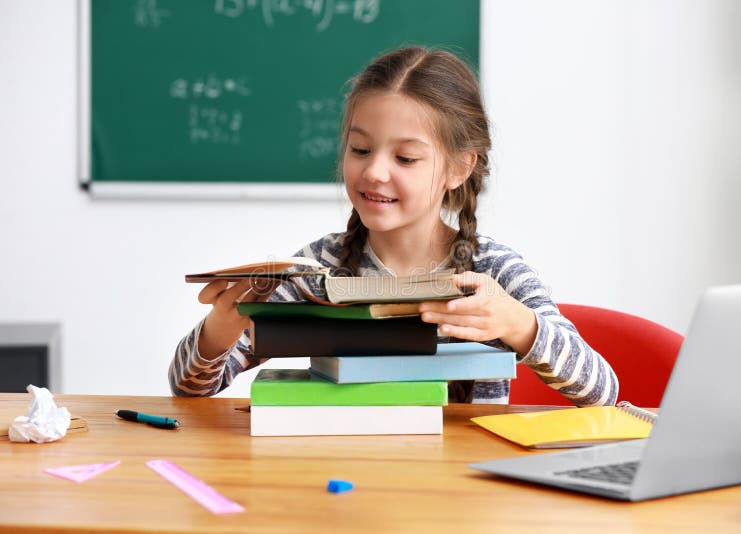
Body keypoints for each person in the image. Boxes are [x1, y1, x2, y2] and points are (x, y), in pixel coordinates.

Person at [169, 47, 618, 406]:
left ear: (459, 168)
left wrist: (519, 324)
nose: (374, 173)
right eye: (360, 149)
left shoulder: (493, 273)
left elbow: (603, 391)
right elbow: (189, 390)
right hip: (346, 482)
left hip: (460, 497)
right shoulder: (320, 269)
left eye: (405, 158)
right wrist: (221, 327)